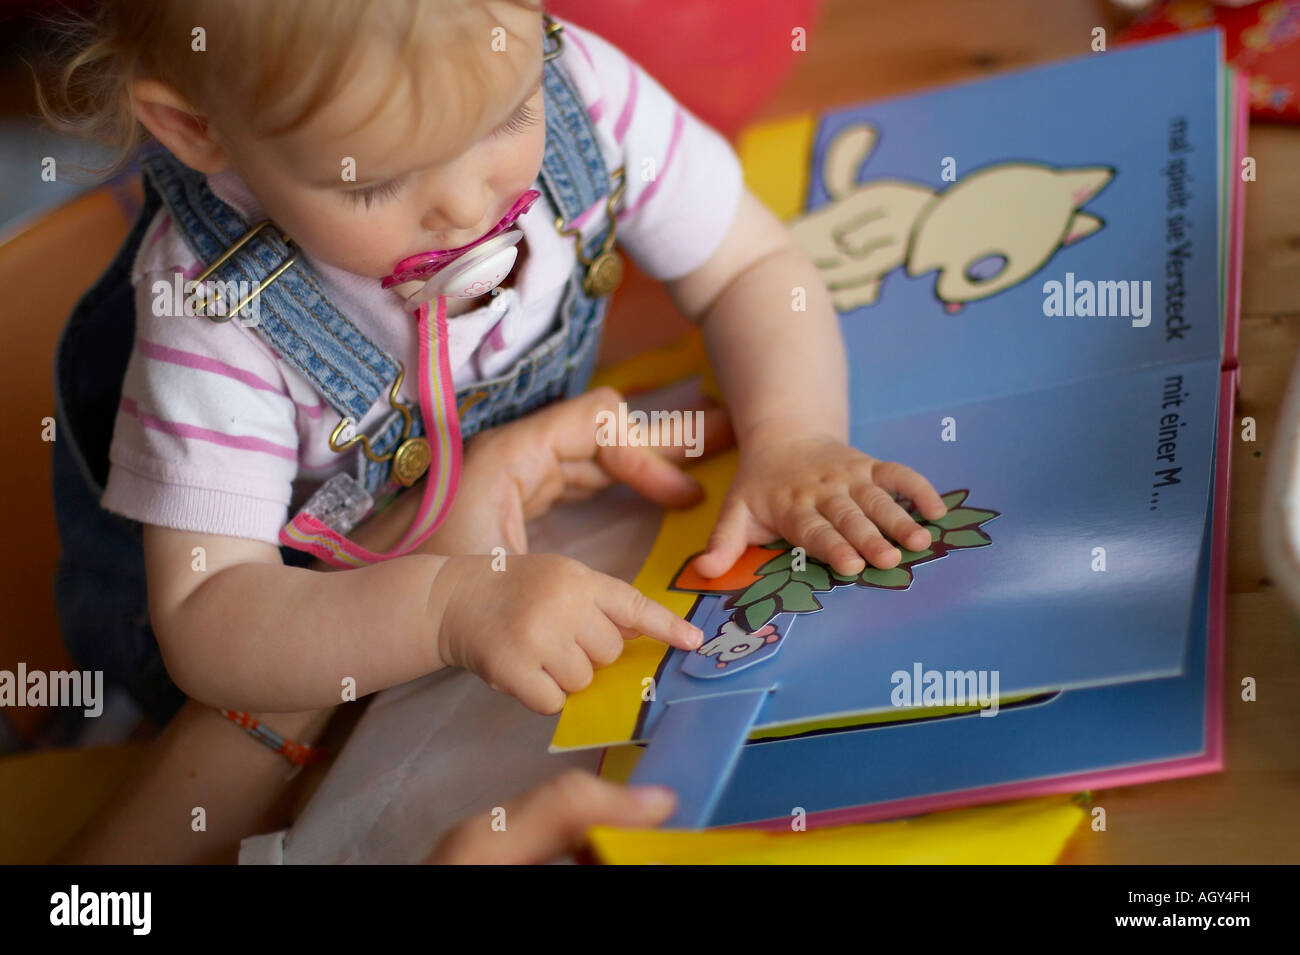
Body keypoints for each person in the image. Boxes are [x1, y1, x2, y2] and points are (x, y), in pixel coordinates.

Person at [41, 0, 946, 861]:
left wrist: (793, 436)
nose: (472, 205)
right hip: (293, 631)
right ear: (198, 129)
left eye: (509, 116)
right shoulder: (214, 307)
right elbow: (210, 619)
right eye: (381, 181)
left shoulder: (579, 81)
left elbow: (751, 263)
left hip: (520, 531)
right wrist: (445, 608)